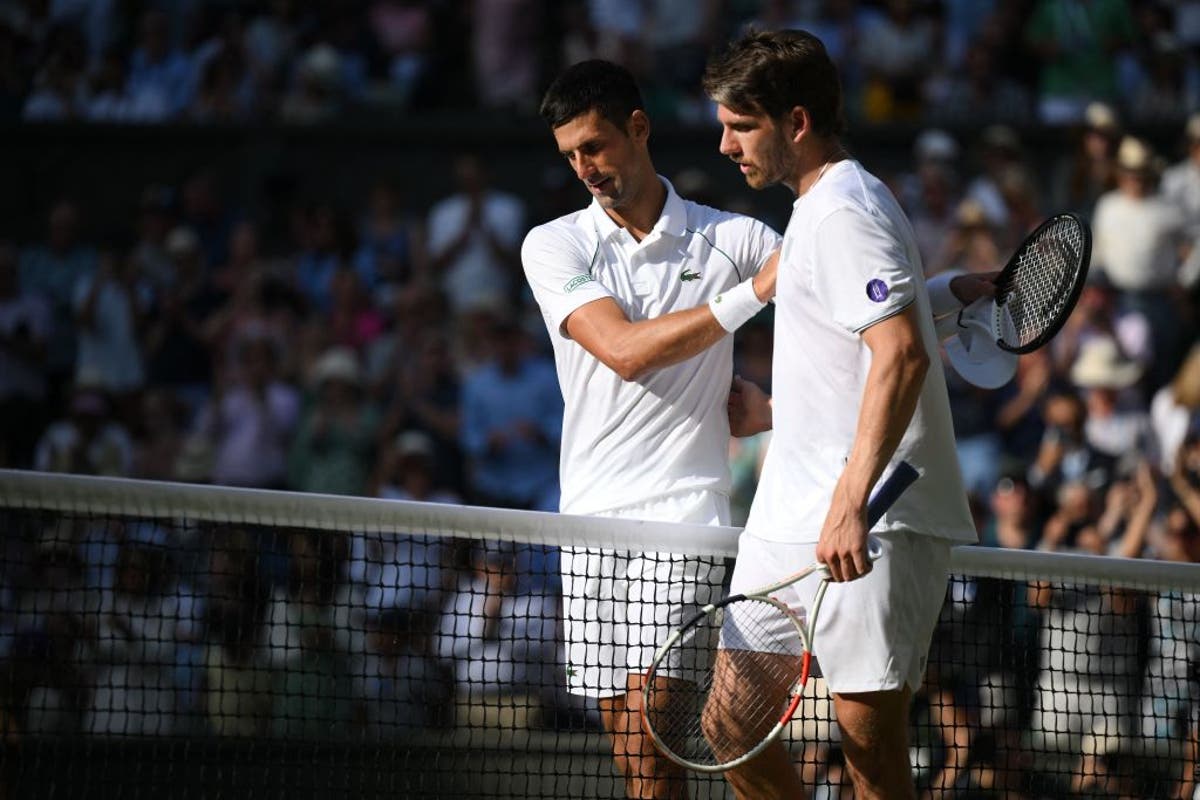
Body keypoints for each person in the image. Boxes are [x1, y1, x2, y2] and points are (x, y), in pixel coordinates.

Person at [701, 30, 978, 799]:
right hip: (790, 512)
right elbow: (864, 343)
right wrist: (776, 413)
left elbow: (902, 356)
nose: (724, 145)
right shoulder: (821, 208)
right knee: (729, 726)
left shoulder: (846, 209)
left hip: (872, 520)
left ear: (796, 122)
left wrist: (850, 502)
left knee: (870, 755)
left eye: (741, 126)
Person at [522, 59, 782, 799]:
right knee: (640, 765)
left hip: (685, 515)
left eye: (595, 147)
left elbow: (846, 301)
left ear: (638, 128)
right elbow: (625, 352)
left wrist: (776, 405)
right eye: (570, 155)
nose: (585, 168)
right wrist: (747, 299)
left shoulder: (734, 238)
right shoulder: (554, 244)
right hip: (590, 522)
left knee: (657, 722)